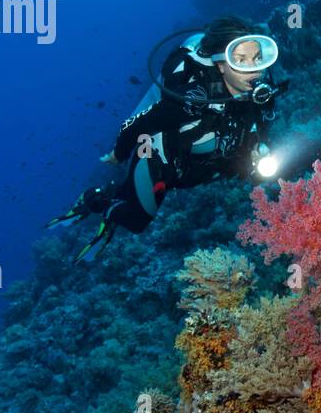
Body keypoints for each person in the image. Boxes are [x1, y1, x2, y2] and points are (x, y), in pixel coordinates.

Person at [49, 16, 288, 261]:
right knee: (136, 221)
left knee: (252, 172)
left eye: (258, 59)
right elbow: (135, 125)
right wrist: (118, 154)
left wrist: (260, 150)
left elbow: (260, 129)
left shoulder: (262, 92)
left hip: (208, 158)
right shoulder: (191, 99)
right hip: (164, 160)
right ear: (220, 65)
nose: (254, 69)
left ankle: (119, 194)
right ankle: (98, 202)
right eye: (240, 60)